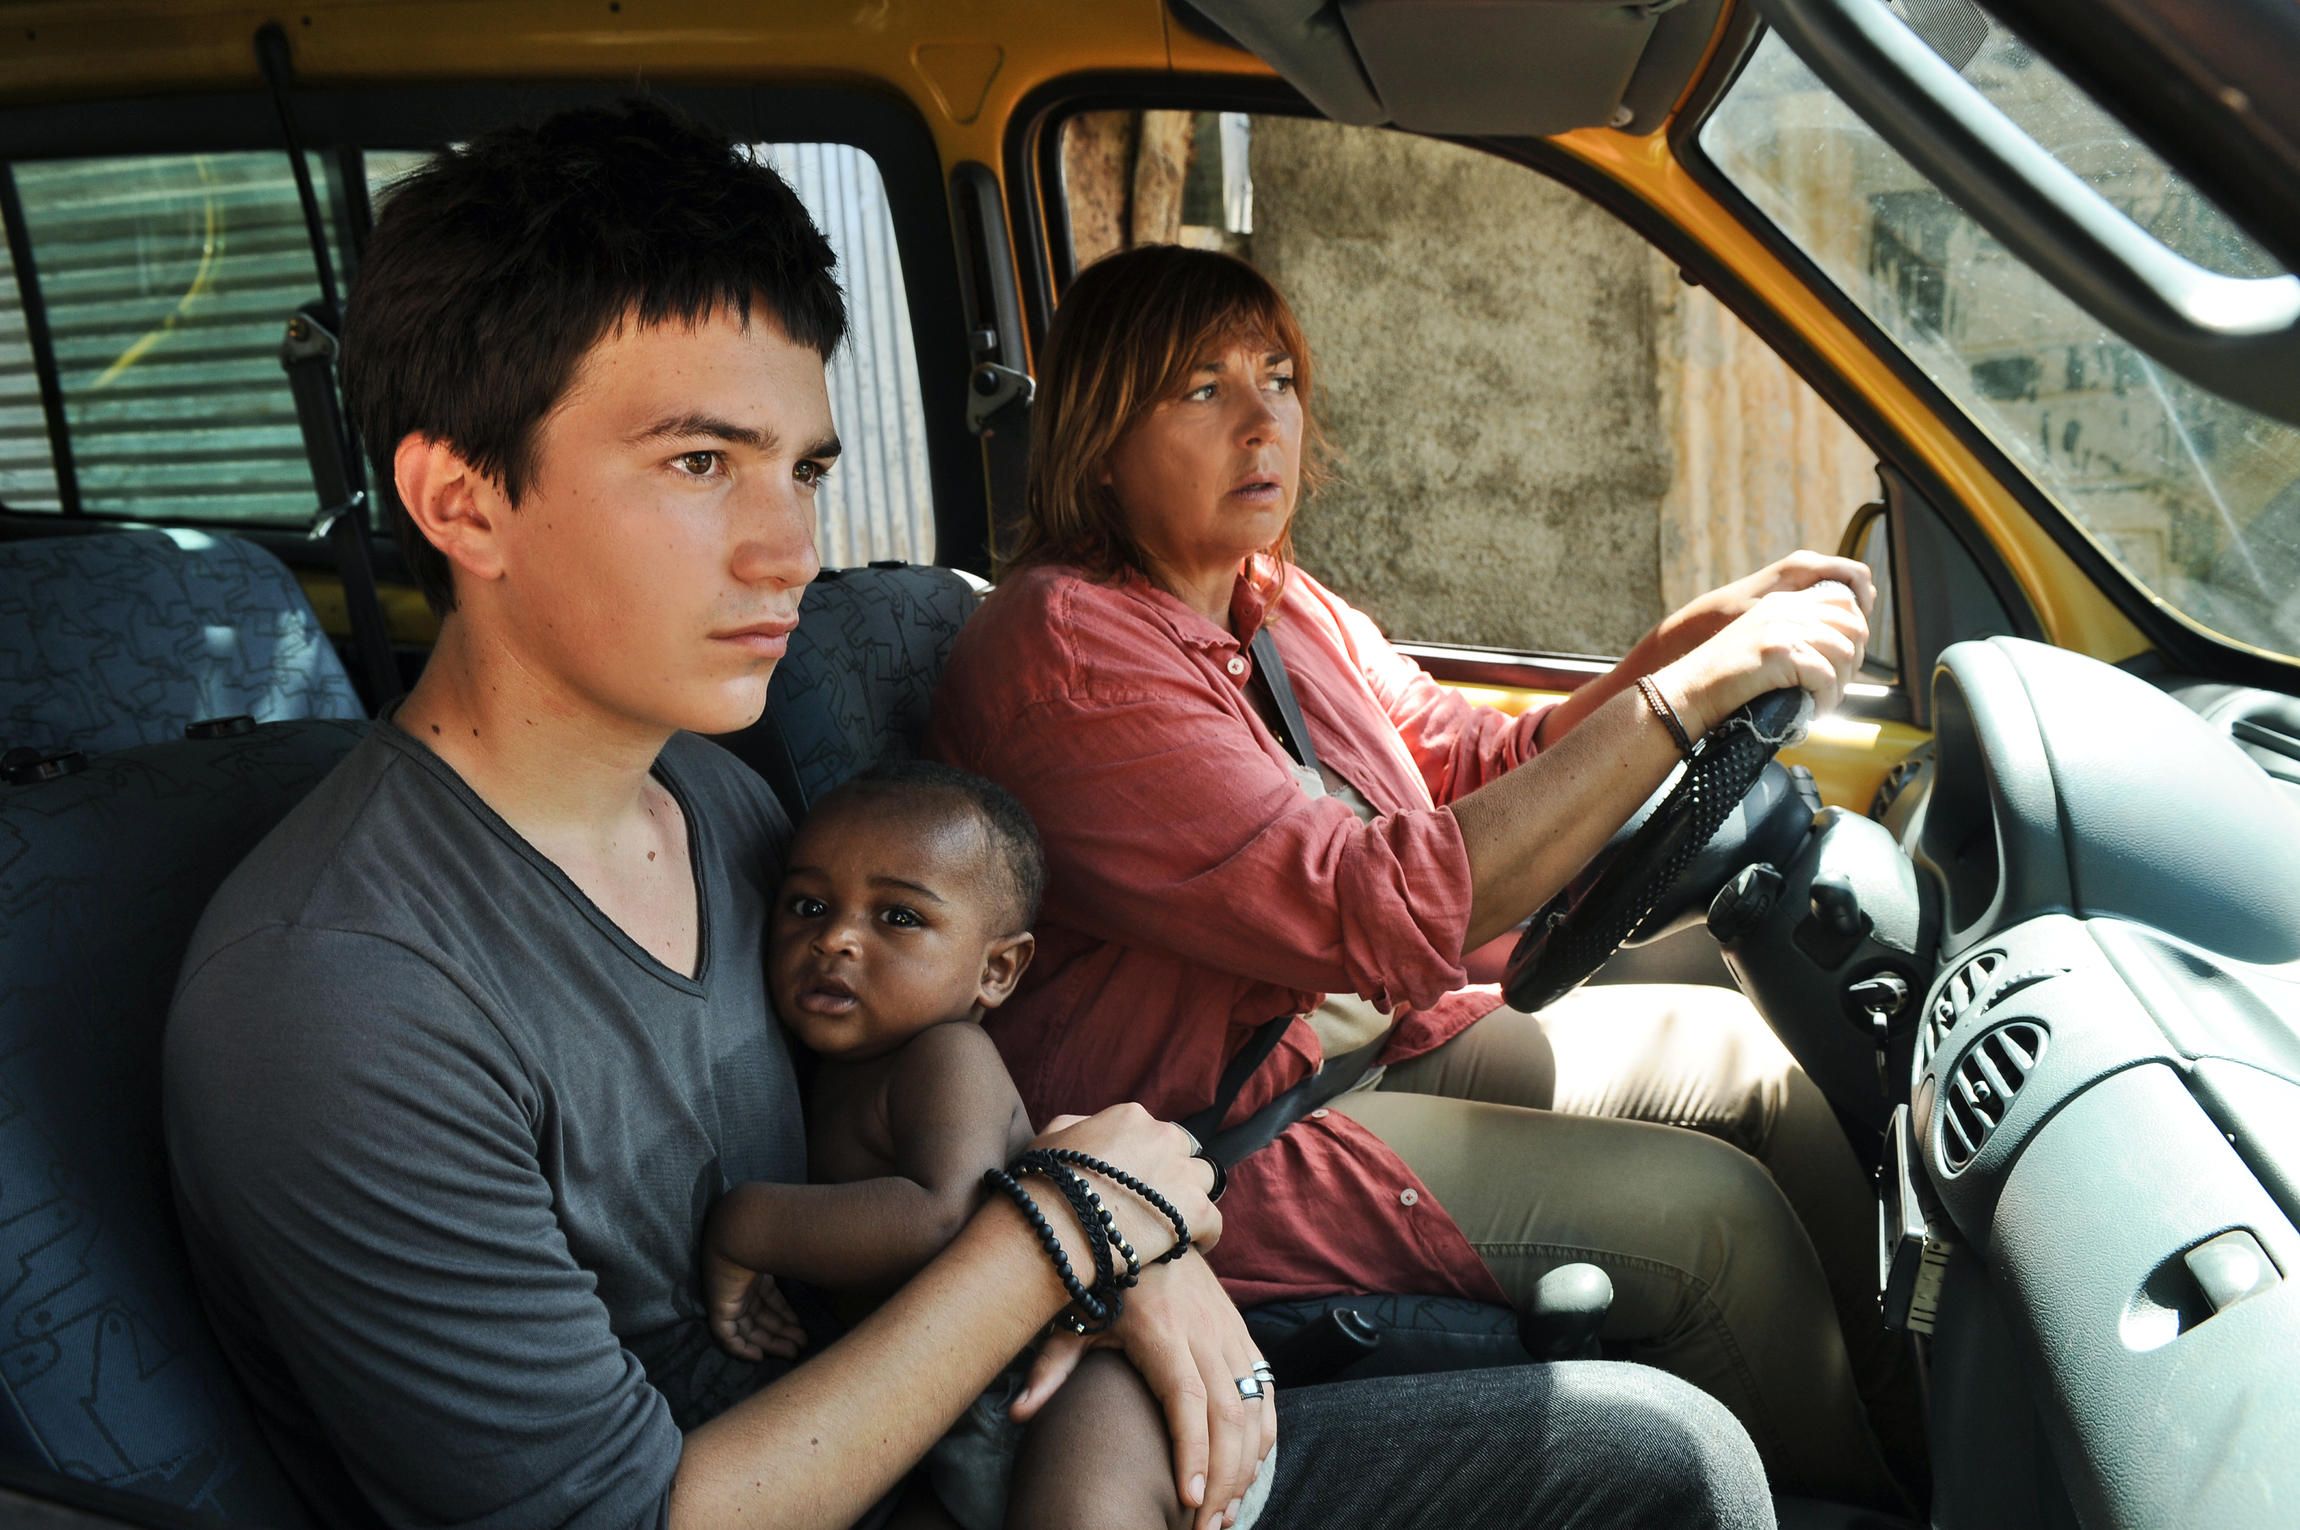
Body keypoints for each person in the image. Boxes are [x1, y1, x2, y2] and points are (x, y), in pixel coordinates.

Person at [160, 101, 1775, 1530]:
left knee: (1661, 1460)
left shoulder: (722, 807)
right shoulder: (342, 994)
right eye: (702, 464)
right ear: (462, 500)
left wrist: (1111, 1248)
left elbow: (913, 1116)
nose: (788, 546)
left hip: (985, 1403)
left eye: (803, 467)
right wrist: (1063, 1244)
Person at [929, 242, 1918, 1509]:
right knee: (1710, 1222)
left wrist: (1706, 633)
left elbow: (1470, 761)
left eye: (1276, 377)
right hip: (1223, 1143)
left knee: (1750, 1069)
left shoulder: (1276, 604)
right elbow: (1369, 900)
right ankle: (1871, 1504)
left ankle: (1925, 1426)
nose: (1261, 420)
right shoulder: (1065, 652)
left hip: (1370, 1042)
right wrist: (1681, 700)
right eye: (1200, 389)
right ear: (1099, 435)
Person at [703, 760, 1276, 1530]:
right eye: (807, 905)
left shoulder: (946, 1058)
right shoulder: (825, 1066)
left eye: (898, 918)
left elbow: (941, 1217)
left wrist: (746, 1225)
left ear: (997, 969)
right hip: (953, 1421)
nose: (834, 938)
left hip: (1084, 1382)